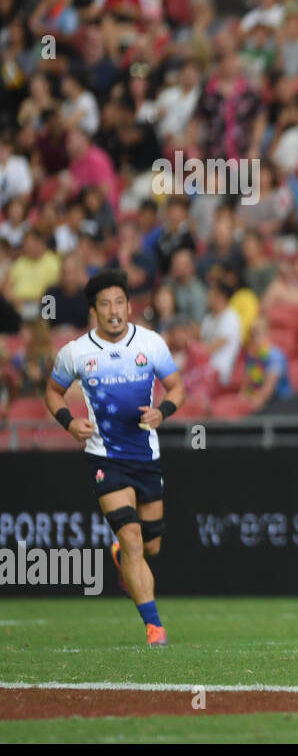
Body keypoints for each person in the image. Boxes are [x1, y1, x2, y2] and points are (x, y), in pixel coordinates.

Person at [44, 269, 186, 647]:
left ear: (129, 305)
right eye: (105, 304)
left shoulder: (151, 344)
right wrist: (69, 423)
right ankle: (154, 628)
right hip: (105, 458)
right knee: (133, 536)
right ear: (94, 310)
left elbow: (177, 387)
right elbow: (53, 392)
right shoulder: (76, 352)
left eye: (120, 302)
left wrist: (163, 412)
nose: (114, 310)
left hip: (146, 456)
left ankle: (123, 553)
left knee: (151, 546)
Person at [242, 318, 293, 410]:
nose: (256, 337)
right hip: (257, 398)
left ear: (268, 334)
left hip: (279, 403)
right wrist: (242, 398)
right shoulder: (251, 356)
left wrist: (251, 404)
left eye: (259, 333)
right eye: (252, 334)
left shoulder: (276, 356)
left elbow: (268, 390)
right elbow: (247, 383)